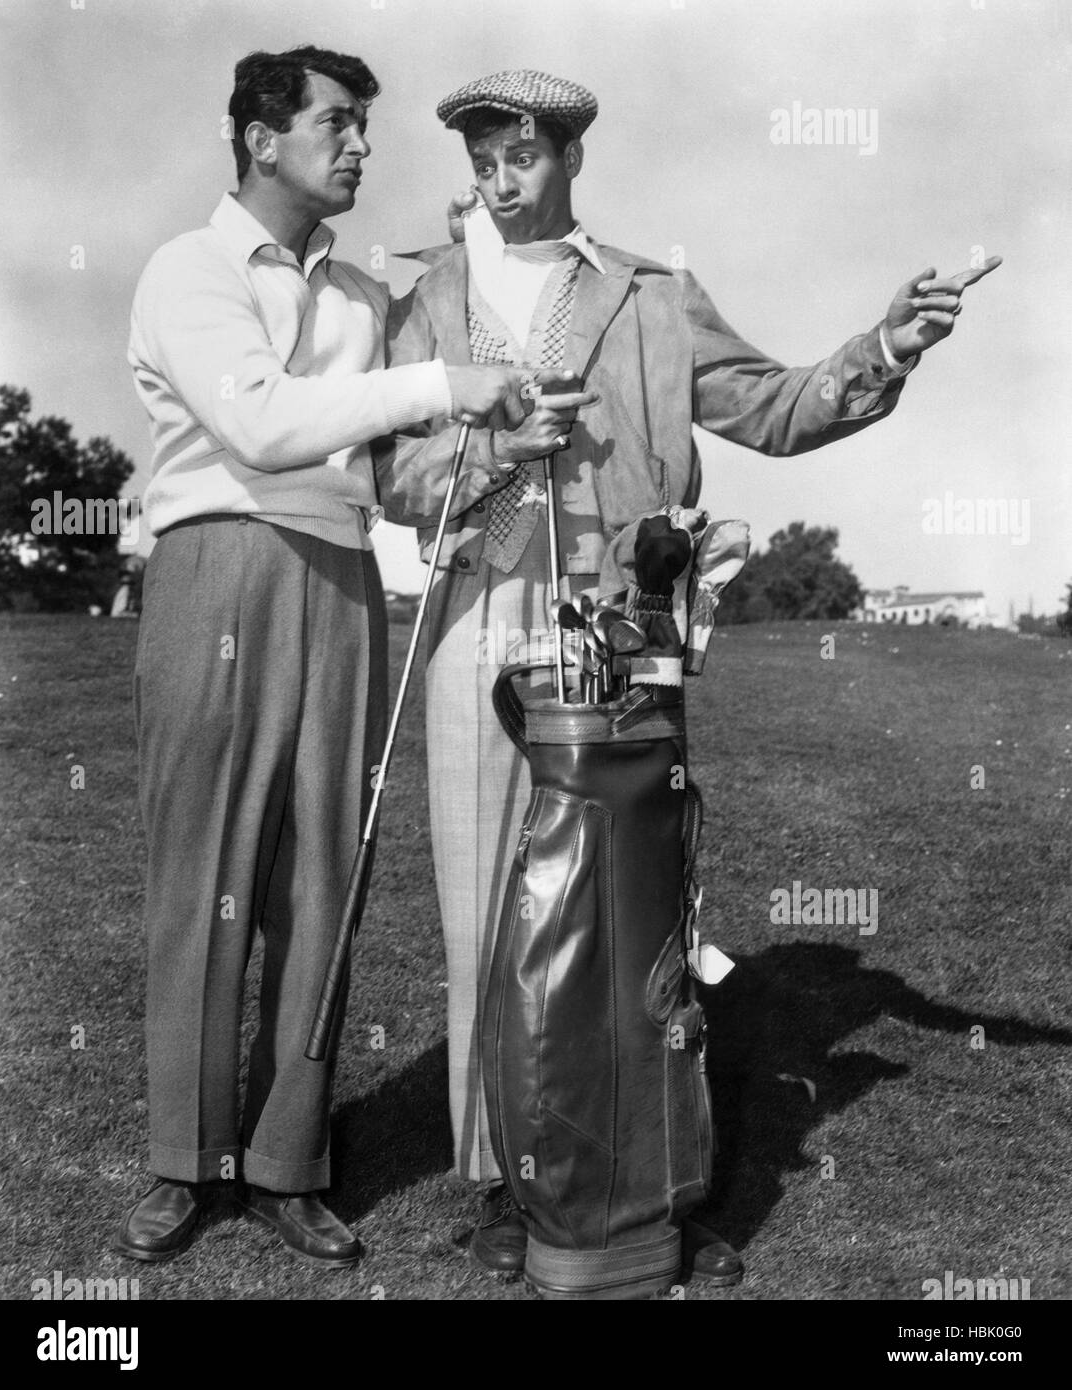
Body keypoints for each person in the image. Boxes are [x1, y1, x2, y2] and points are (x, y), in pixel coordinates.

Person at [376, 68, 1000, 1280]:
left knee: (635, 920)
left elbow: (771, 409)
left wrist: (884, 345)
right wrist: (501, 443)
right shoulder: (428, 298)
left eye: (522, 156)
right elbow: (393, 479)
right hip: (478, 620)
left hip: (626, 631)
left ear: (570, 157)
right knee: (491, 918)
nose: (498, 182)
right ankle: (509, 1181)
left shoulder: (650, 297)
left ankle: (643, 1180)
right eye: (480, 159)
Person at [116, 45, 532, 1271]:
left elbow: (403, 454)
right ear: (259, 136)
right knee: (206, 871)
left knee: (323, 884)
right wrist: (437, 381)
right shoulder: (186, 269)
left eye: (364, 127)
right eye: (337, 123)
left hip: (343, 581)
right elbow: (256, 420)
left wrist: (466, 396)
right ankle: (186, 1159)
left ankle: (290, 1162)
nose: (358, 146)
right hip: (216, 567)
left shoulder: (362, 293)